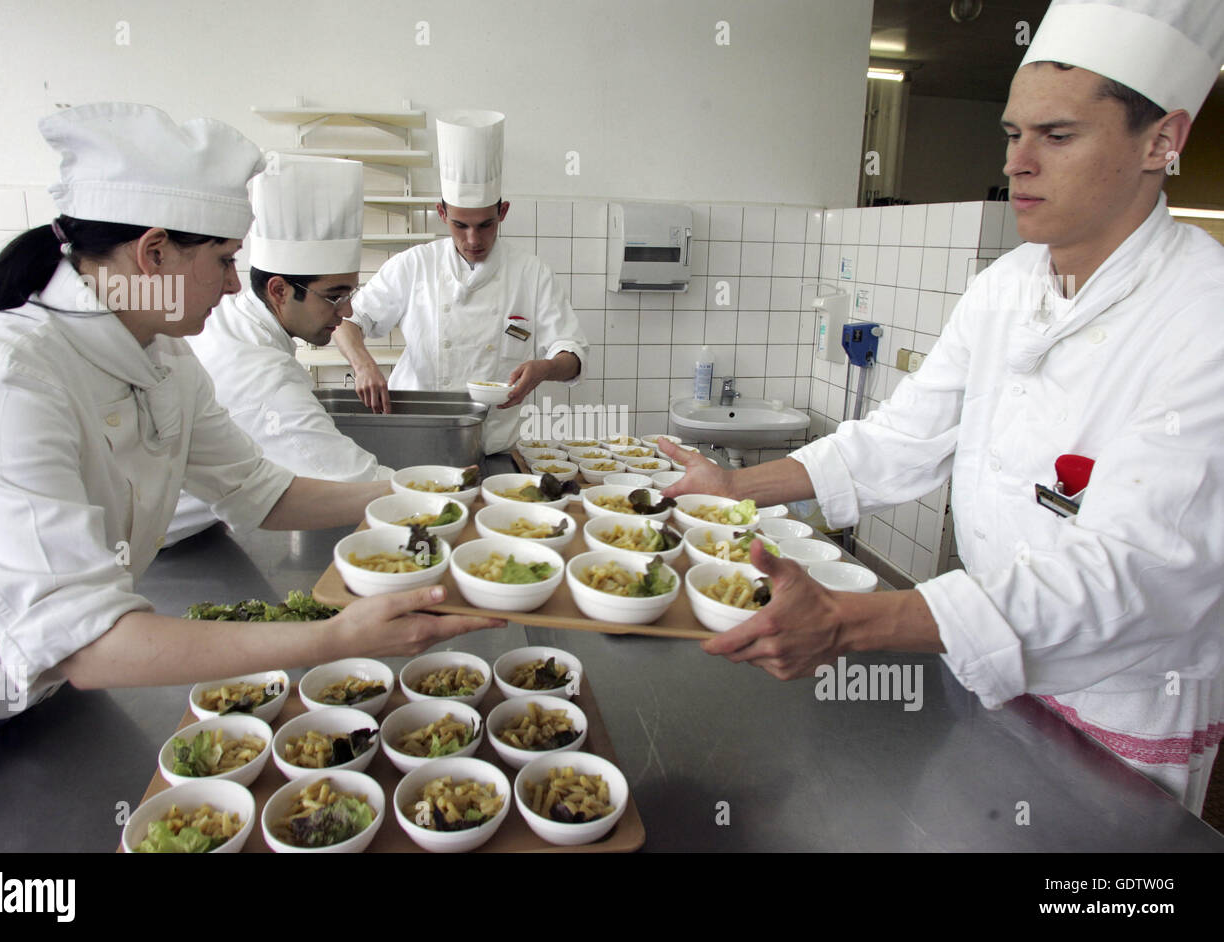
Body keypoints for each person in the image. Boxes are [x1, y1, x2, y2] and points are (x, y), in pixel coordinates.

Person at [661, 0, 1224, 814]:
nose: (1018, 163)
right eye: (1011, 134)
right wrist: (737, 489)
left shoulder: (1204, 315)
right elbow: (903, 435)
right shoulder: (1006, 287)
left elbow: (1134, 572)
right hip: (985, 672)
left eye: (1057, 136)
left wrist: (851, 624)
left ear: (1162, 142)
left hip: (1116, 718)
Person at [0, 103, 500, 787]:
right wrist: (333, 639)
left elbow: (263, 492)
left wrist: (424, 495)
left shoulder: (165, 359)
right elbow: (86, 642)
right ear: (154, 253)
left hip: (45, 694)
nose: (235, 284)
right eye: (225, 260)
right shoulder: (5, 379)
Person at [333, 110, 588, 454]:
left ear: (503, 212)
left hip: (492, 443)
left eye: (485, 225)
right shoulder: (415, 264)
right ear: (442, 214)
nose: (472, 239)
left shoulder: (531, 272)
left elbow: (572, 353)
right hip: (413, 436)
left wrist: (545, 369)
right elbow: (346, 320)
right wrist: (363, 364)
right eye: (459, 225)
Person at [168, 154, 389, 543]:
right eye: (335, 296)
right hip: (165, 552)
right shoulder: (255, 367)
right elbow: (349, 477)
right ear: (279, 291)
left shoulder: (233, 320)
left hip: (202, 530)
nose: (349, 310)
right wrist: (451, 497)